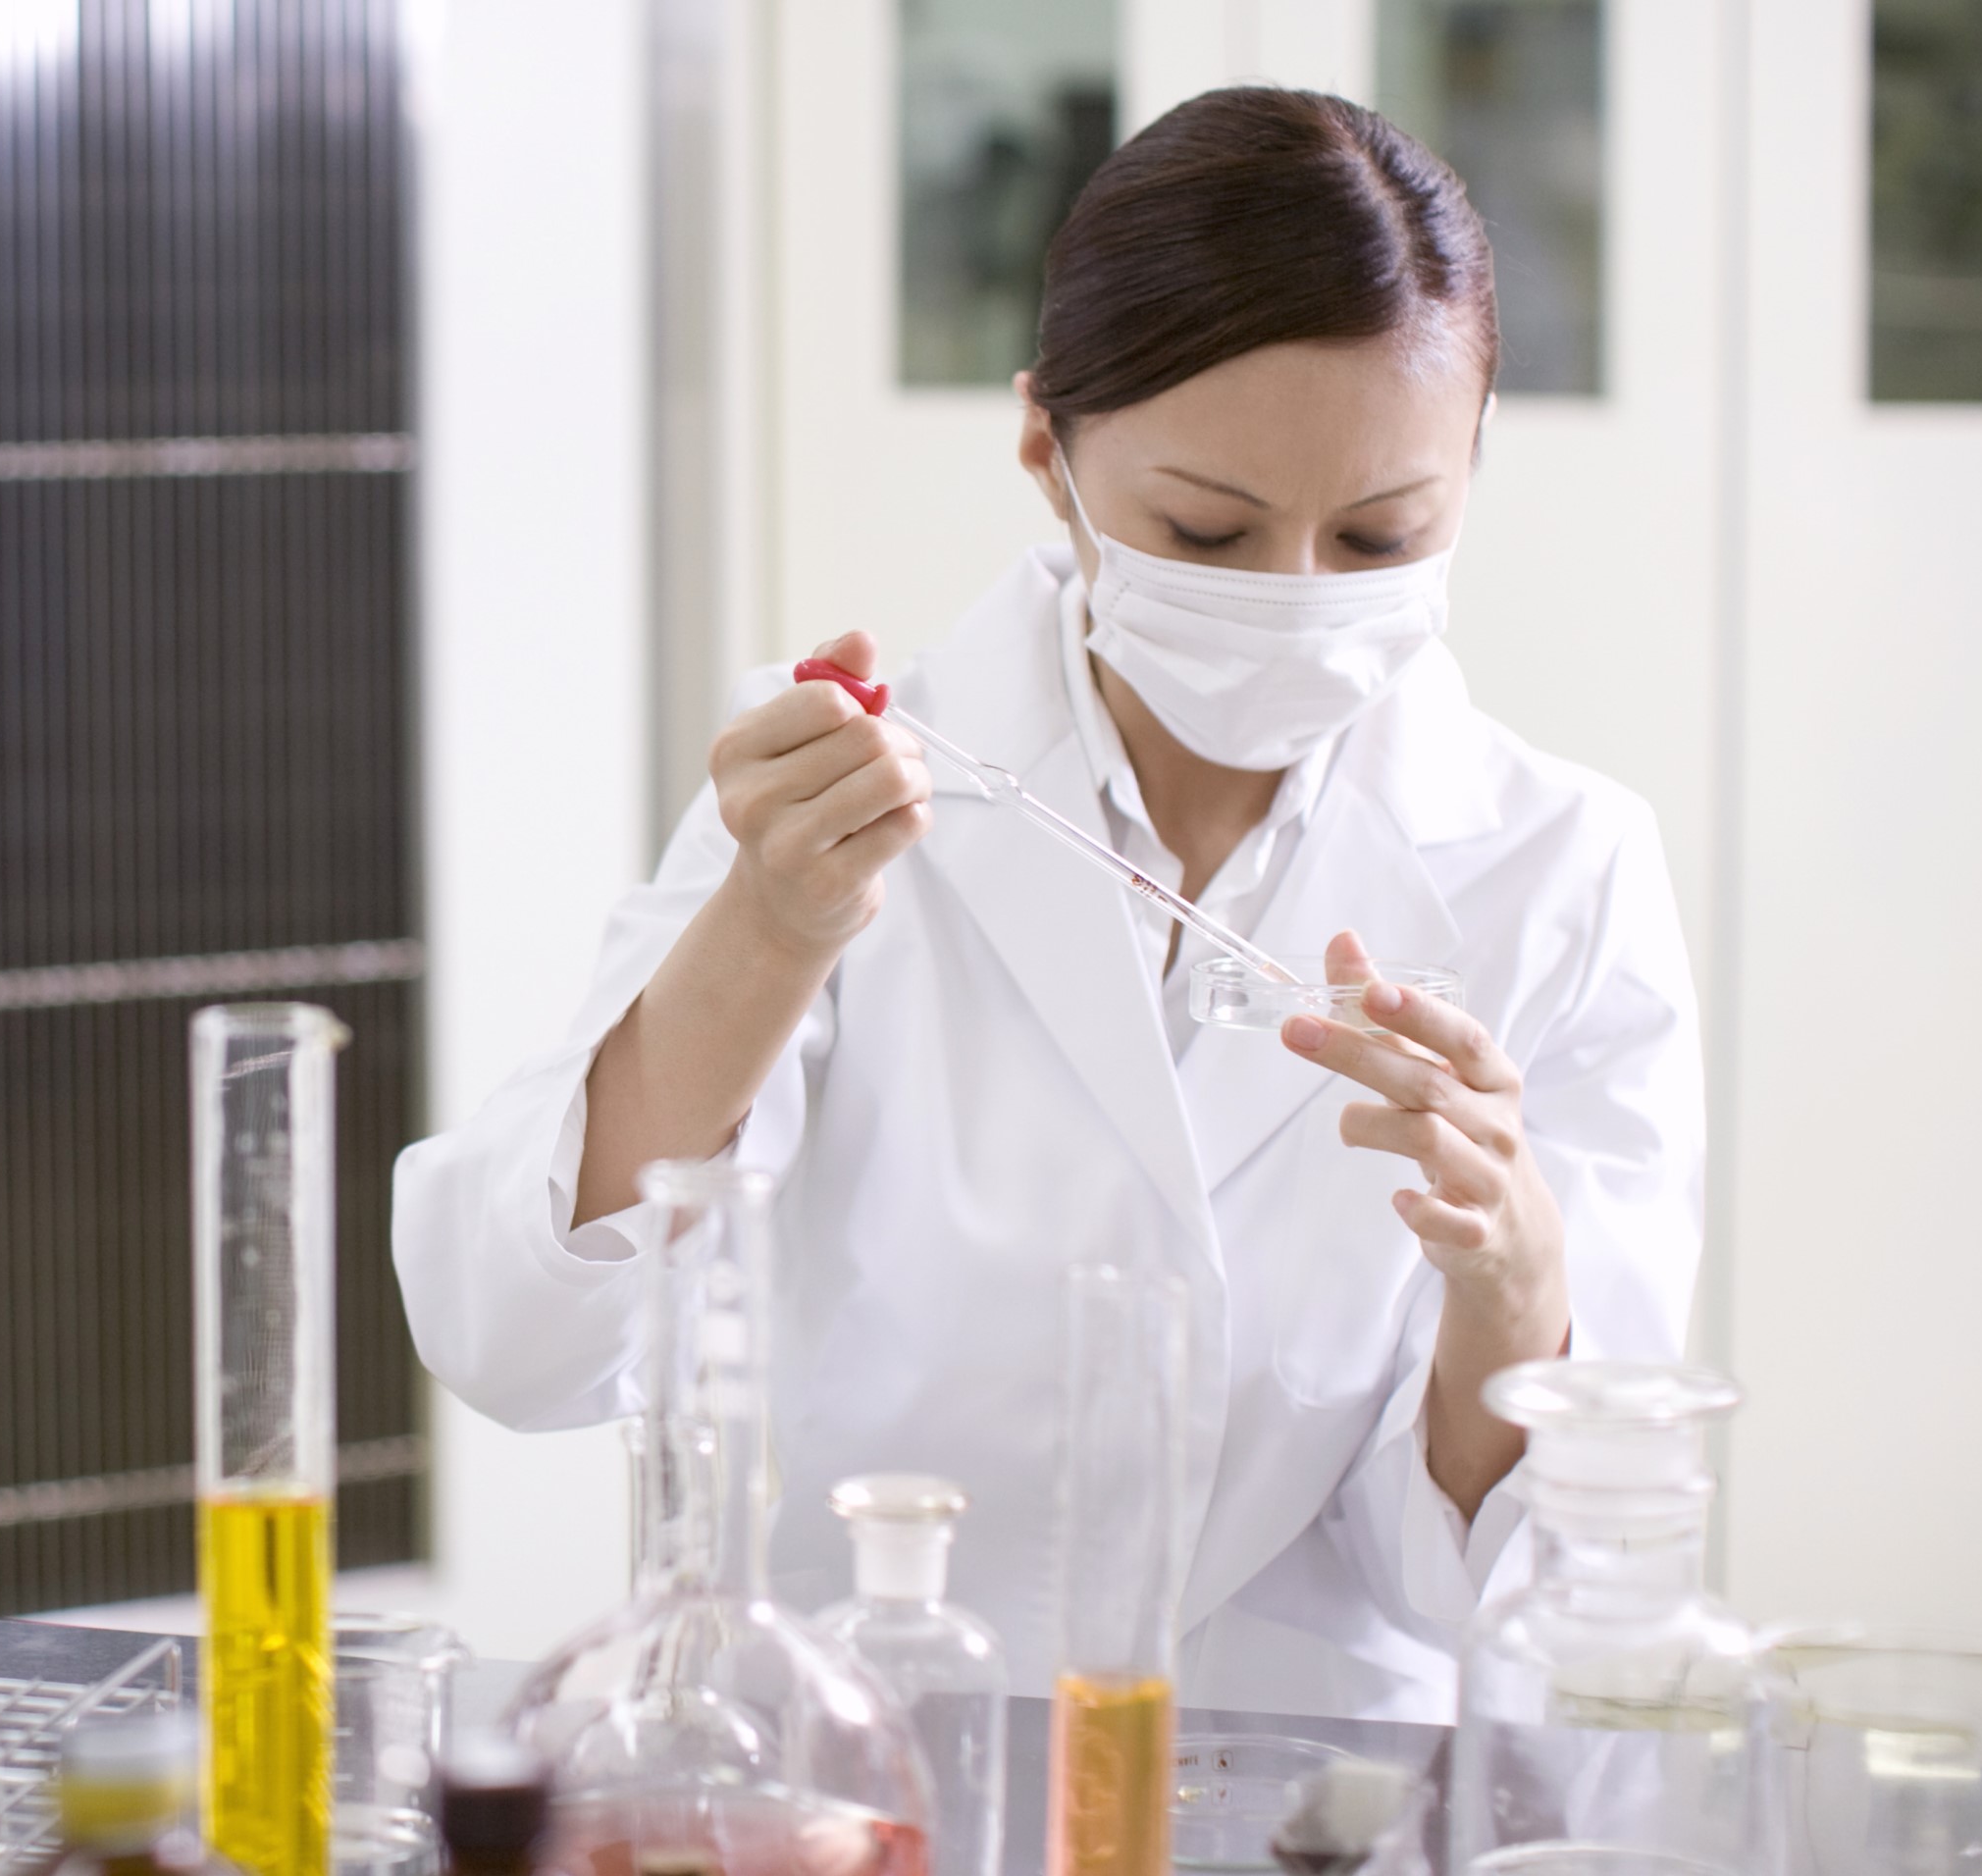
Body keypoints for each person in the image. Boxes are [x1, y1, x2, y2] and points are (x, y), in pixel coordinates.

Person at [391, 86, 1700, 1721]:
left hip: (1309, 1782)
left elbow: (1527, 1585)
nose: (1293, 599)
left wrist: (1510, 1276)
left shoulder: (1560, 869)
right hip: (873, 1748)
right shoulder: (845, 794)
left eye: (1380, 534)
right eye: (1204, 530)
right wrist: (770, 932)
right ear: (1047, 452)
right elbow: (512, 1336)